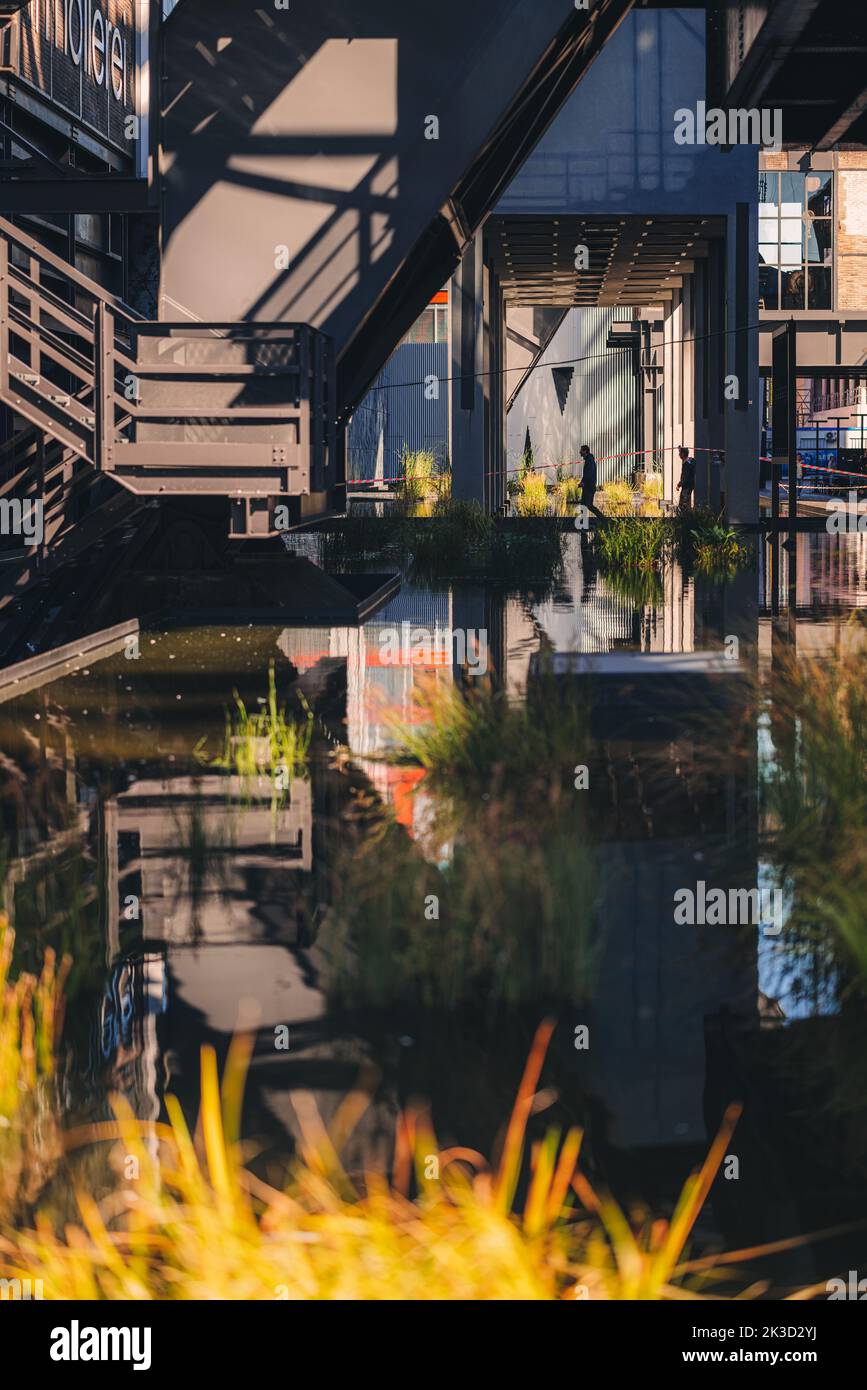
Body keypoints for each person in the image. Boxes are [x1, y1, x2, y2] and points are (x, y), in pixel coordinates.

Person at [579, 443, 598, 516]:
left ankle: (603, 519)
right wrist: (582, 482)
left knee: (589, 505)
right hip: (588, 486)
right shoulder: (588, 459)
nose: (580, 452)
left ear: (585, 451)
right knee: (584, 505)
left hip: (589, 487)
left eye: (581, 450)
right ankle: (583, 523)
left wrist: (583, 482)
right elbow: (587, 474)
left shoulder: (589, 460)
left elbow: (588, 474)